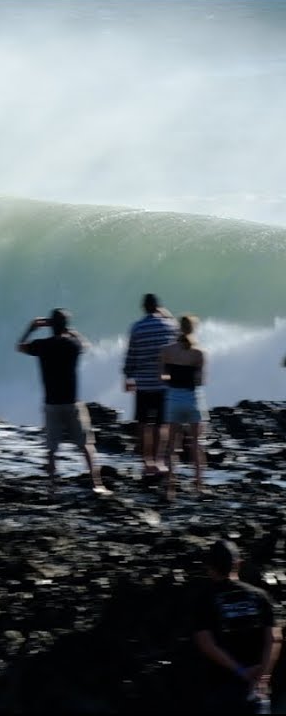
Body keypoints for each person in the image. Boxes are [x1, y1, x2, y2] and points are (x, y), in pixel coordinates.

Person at [17, 309, 110, 495]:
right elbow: (86, 345)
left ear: (51, 325)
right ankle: (97, 484)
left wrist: (31, 328)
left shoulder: (43, 345)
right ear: (65, 326)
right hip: (71, 402)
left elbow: (20, 347)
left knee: (51, 448)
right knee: (86, 445)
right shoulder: (72, 344)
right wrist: (72, 332)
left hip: (52, 403)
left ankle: (52, 486)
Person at [193, 540, 281, 714]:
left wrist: (240, 671)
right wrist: (263, 677)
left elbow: (206, 643)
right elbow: (274, 638)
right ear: (238, 564)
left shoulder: (205, 600)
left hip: (221, 688)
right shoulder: (261, 596)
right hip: (256, 688)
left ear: (210, 568)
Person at [123, 293, 179, 477]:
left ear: (143, 308)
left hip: (143, 383)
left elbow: (131, 355)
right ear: (157, 307)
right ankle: (159, 460)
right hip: (164, 383)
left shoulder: (137, 328)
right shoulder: (170, 325)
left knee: (143, 423)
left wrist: (128, 377)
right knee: (162, 424)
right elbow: (178, 343)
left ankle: (147, 462)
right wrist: (166, 314)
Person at [160, 314, 209, 501]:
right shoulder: (199, 352)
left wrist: (173, 378)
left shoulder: (167, 350)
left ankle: (170, 488)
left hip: (173, 398)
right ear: (193, 329)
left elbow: (162, 376)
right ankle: (199, 486)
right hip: (193, 399)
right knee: (196, 444)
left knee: (172, 445)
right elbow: (200, 381)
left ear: (178, 328)